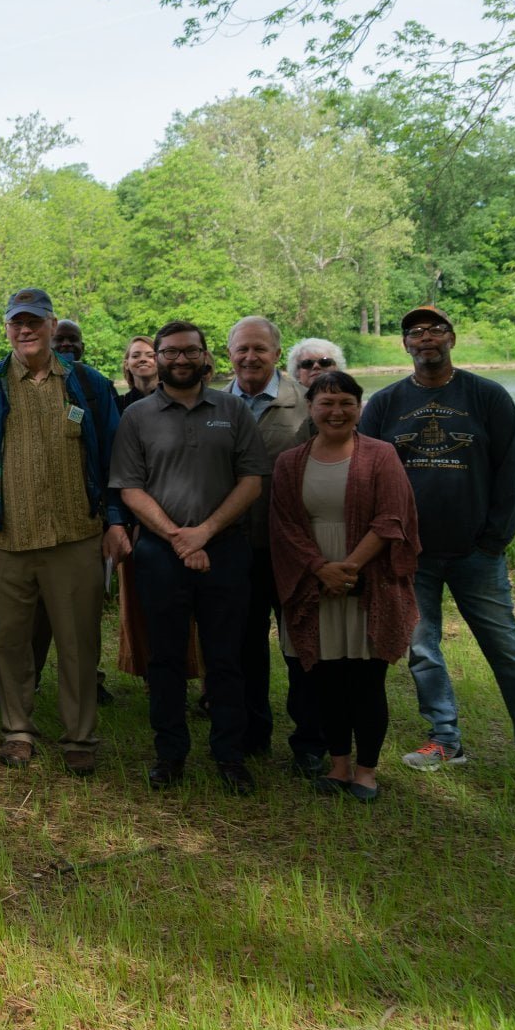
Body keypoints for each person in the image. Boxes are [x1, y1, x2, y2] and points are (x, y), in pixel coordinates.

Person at [360, 306, 515, 794]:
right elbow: (366, 476)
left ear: (452, 338)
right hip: (411, 554)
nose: (426, 338)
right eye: (415, 333)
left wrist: (494, 539)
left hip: (476, 554)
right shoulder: (385, 404)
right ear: (405, 345)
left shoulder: (487, 397)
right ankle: (445, 740)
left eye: (435, 330)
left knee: (506, 650)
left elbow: (513, 473)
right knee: (423, 650)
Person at [0, 290, 128, 777]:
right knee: (10, 642)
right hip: (5, 539)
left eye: (34, 322)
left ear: (53, 326)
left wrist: (115, 521)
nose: (25, 331)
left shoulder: (88, 386)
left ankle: (80, 736)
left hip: (77, 536)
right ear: (6, 330)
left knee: (78, 643)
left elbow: (115, 463)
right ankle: (17, 731)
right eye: (16, 324)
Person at [110, 320, 272, 794]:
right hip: (160, 554)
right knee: (165, 657)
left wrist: (205, 532)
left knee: (227, 656)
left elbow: (251, 480)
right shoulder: (137, 416)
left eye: (189, 352)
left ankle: (230, 754)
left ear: (206, 358)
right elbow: (129, 487)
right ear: (157, 357)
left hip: (225, 549)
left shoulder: (232, 409)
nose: (179, 359)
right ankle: (170, 753)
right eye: (169, 352)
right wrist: (179, 538)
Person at [271, 371, 422, 802]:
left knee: (366, 682)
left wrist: (349, 568)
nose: (336, 411)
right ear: (311, 408)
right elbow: (284, 526)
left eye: (346, 403)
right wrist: (321, 569)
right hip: (312, 580)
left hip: (368, 578)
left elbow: (392, 518)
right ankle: (337, 766)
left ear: (359, 407)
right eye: (326, 403)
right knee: (326, 679)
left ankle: (366, 772)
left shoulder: (381, 455)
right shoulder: (289, 462)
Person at [223, 315, 324, 774]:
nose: (250, 357)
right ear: (229, 354)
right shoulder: (212, 404)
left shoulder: (307, 404)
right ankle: (252, 733)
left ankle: (309, 742)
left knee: (302, 645)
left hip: (293, 548)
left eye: (260, 348)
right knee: (243, 646)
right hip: (234, 547)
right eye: (242, 348)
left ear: (276, 353)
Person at [119, 336, 159, 410]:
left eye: (150, 356)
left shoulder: (175, 400)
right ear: (126, 364)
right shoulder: (118, 405)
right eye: (135, 356)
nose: (143, 359)